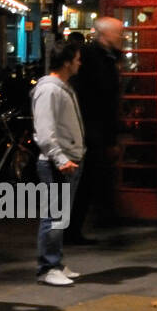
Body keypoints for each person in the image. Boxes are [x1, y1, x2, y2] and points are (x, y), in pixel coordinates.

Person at [32, 40, 86, 287]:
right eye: (76, 58)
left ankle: (55, 261)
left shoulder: (64, 88)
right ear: (66, 62)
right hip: (57, 162)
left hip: (70, 159)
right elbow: (45, 131)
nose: (79, 62)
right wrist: (61, 158)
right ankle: (47, 266)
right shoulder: (50, 90)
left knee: (60, 216)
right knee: (53, 217)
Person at [69, 16, 124, 244]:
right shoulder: (91, 57)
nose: (122, 37)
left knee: (91, 179)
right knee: (84, 181)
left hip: (99, 129)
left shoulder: (109, 57)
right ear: (105, 34)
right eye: (118, 33)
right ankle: (72, 229)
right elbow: (96, 96)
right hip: (89, 129)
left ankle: (78, 227)